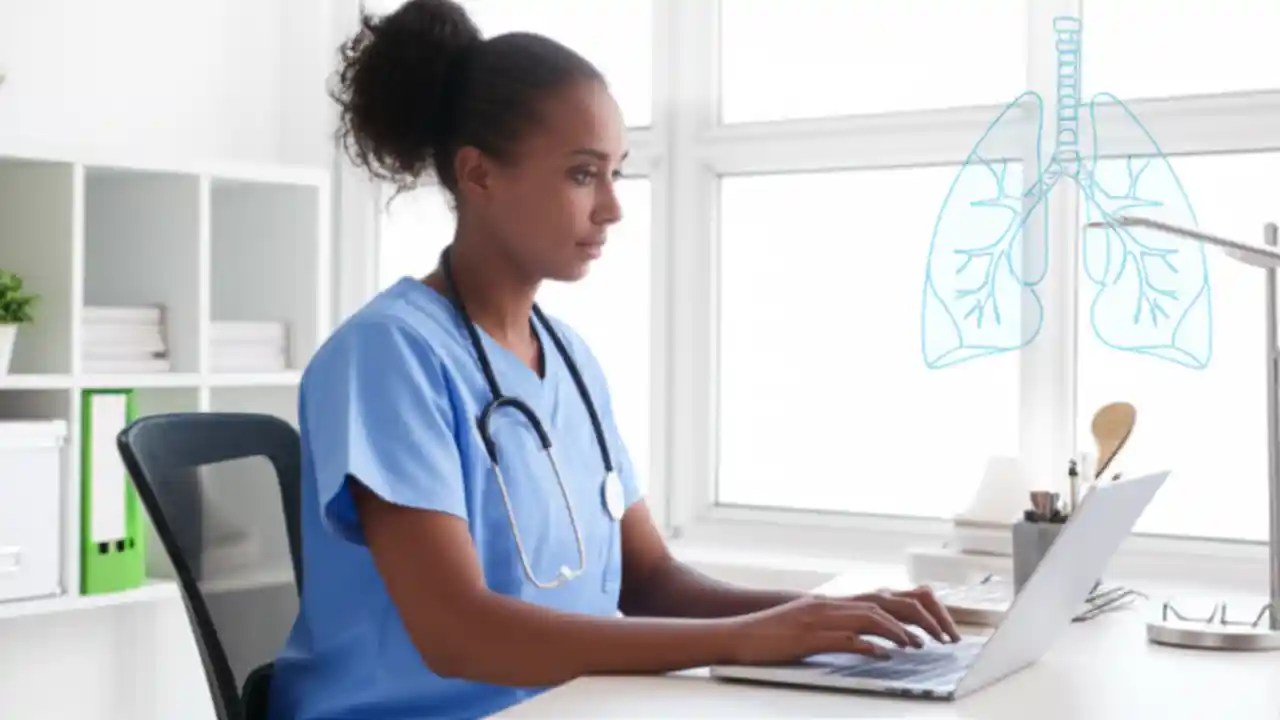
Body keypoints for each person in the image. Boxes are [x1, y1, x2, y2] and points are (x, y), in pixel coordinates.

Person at [267, 1, 962, 718]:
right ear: (478, 175)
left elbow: (649, 579)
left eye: (615, 175)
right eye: (581, 175)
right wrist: (741, 639)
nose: (611, 208)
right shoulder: (389, 356)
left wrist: (827, 617)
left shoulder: (568, 358)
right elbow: (458, 634)